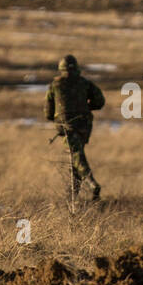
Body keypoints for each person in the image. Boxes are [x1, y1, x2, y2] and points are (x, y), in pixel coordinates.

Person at [45, 55, 105, 200]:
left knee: (76, 155)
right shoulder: (85, 83)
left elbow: (48, 112)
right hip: (84, 125)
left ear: (61, 68)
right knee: (75, 158)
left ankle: (92, 184)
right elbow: (100, 101)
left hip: (67, 126)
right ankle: (72, 196)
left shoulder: (55, 85)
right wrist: (85, 107)